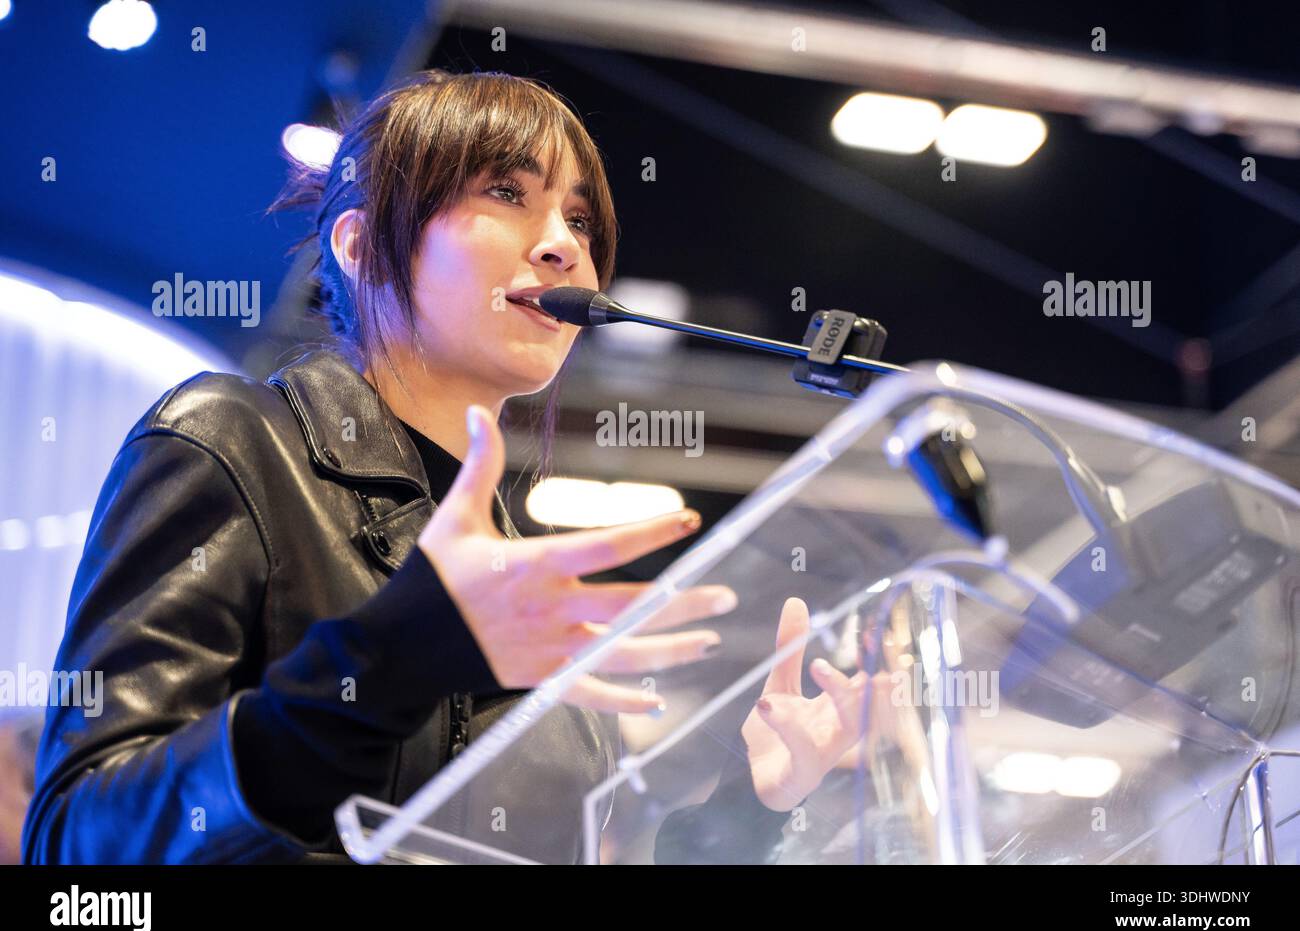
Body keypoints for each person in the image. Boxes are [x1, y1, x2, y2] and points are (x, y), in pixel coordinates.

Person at [22, 69, 870, 865]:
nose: (563, 248)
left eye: (579, 219)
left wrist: (760, 803)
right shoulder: (234, 442)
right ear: (358, 244)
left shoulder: (527, 589)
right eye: (506, 193)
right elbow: (78, 843)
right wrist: (382, 662)